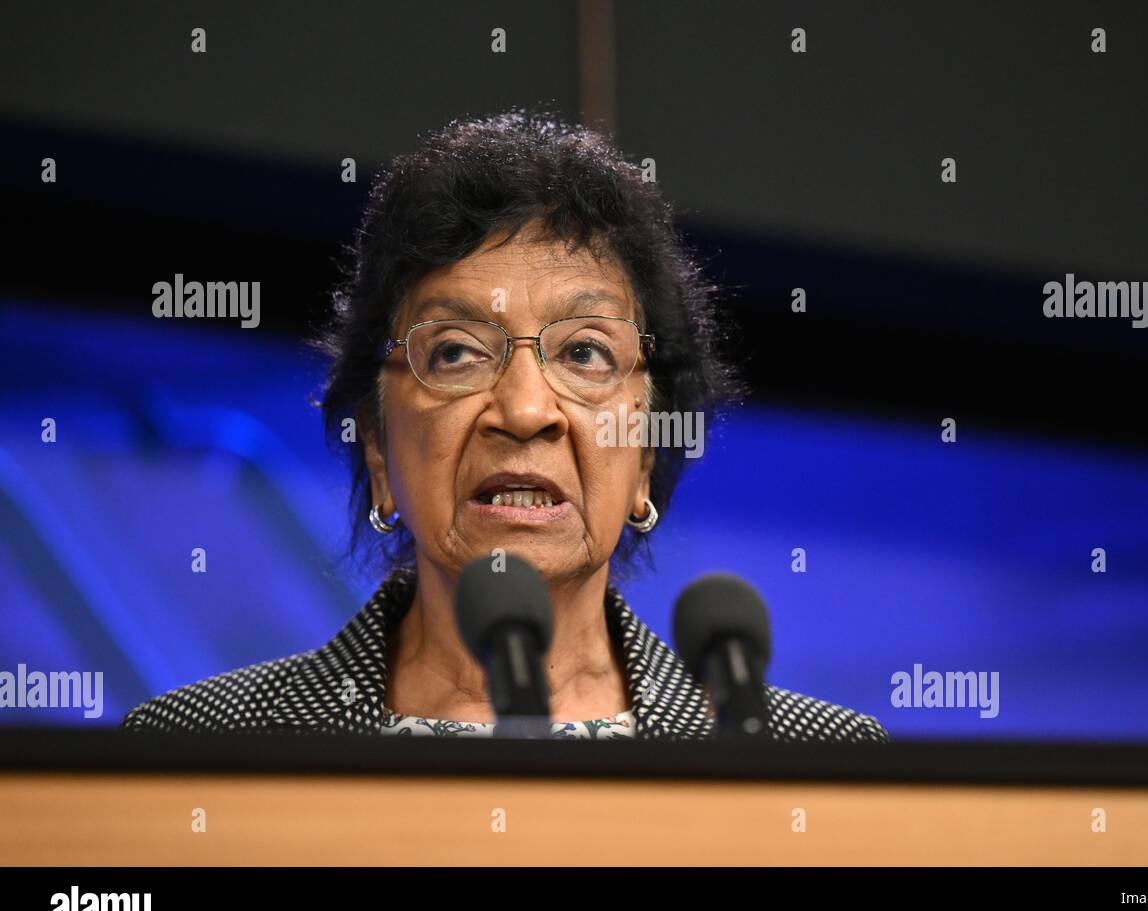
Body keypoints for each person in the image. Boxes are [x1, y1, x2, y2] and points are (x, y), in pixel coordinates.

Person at [121, 109, 888, 743]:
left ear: (647, 455)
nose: (525, 412)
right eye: (456, 353)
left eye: (584, 352)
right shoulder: (197, 748)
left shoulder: (815, 764)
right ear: (380, 450)